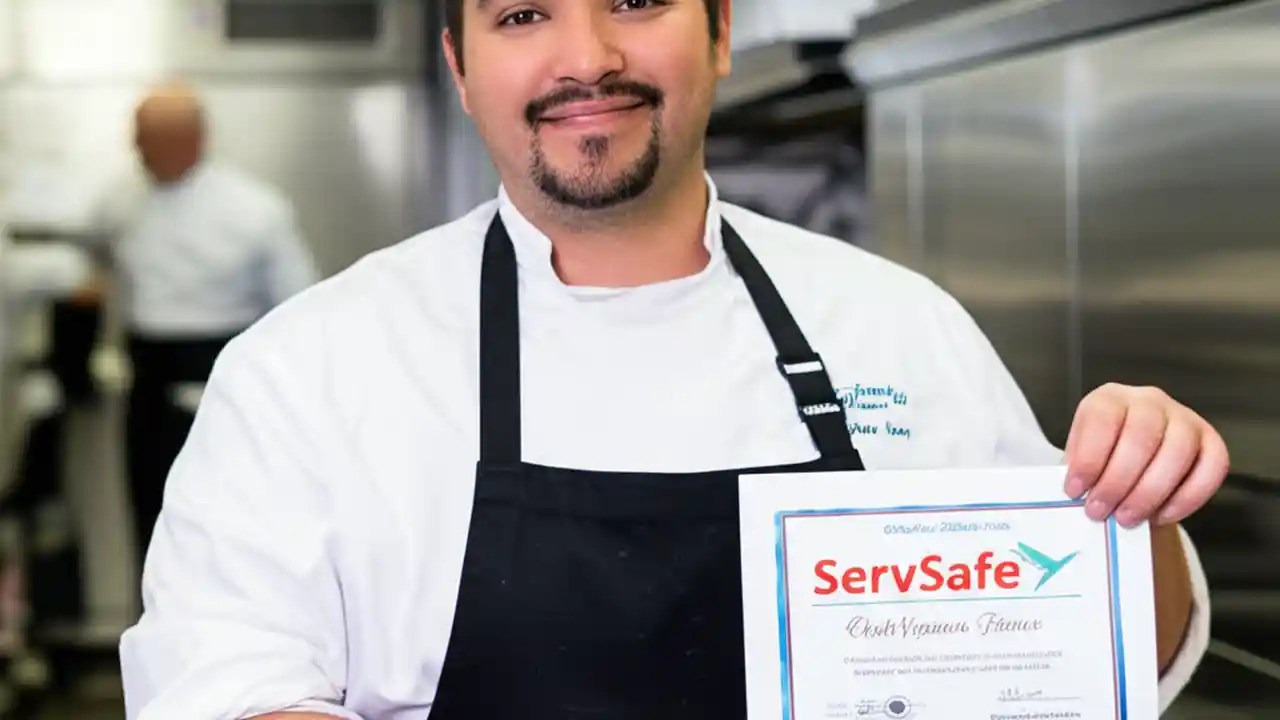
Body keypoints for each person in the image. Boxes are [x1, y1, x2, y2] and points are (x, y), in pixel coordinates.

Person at [119, 2, 1225, 718]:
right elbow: (221, 682)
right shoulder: (310, 367)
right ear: (459, 64)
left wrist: (1140, 496)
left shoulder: (893, 325)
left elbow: (1102, 659)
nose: (586, 58)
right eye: (522, 15)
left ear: (720, 31)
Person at [104, 82, 319, 568]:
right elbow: (95, 254)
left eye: (151, 139)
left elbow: (298, 305)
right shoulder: (120, 202)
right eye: (139, 137)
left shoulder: (254, 208)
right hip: (147, 376)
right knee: (150, 515)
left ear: (194, 140)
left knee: (225, 522)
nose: (139, 149)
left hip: (222, 373)